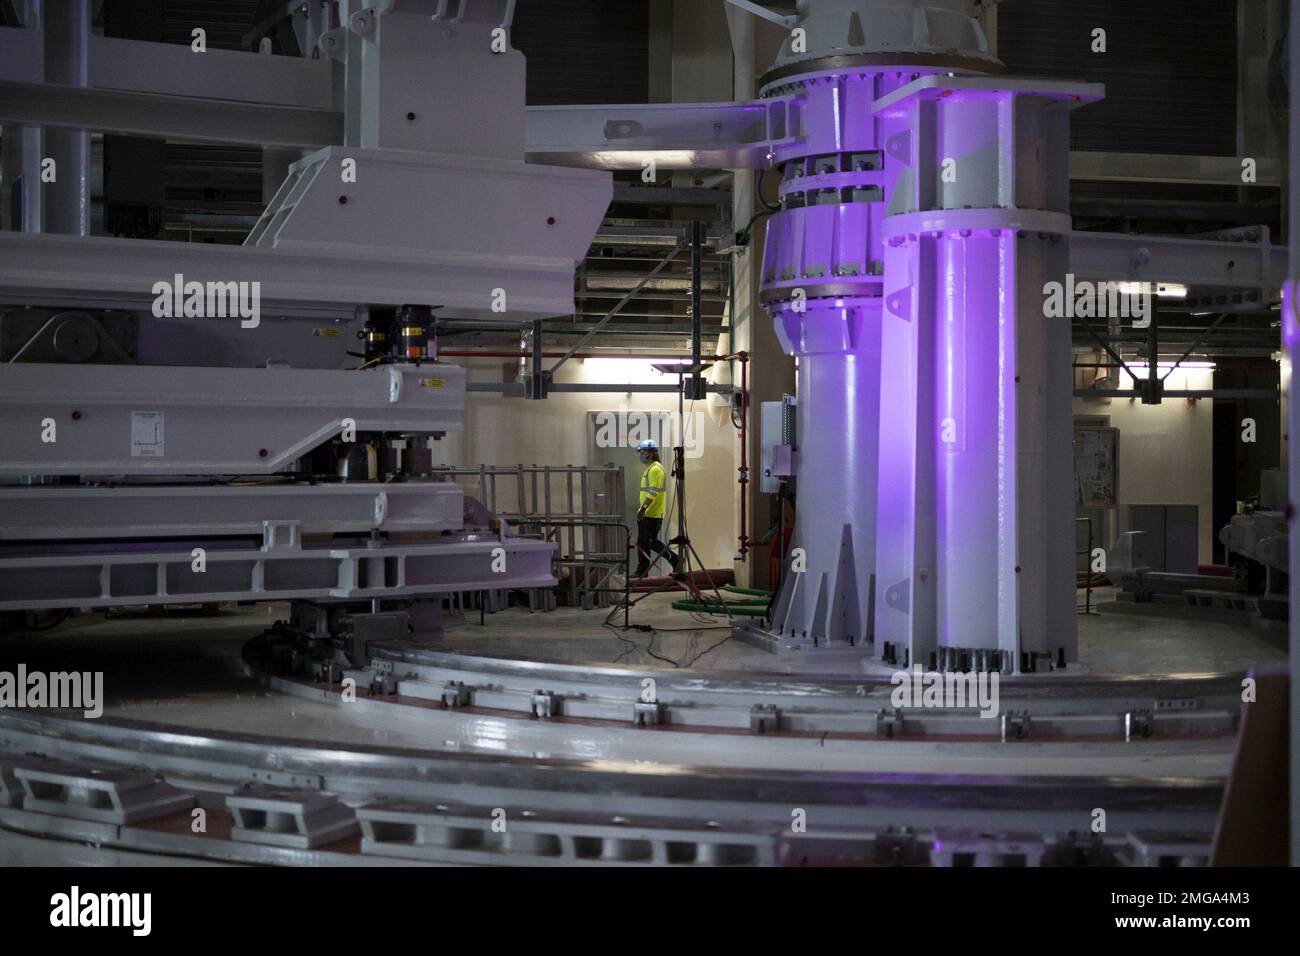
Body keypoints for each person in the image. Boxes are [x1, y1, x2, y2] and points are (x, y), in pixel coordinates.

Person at [632, 439, 679, 578]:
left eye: (643, 452)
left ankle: (675, 559)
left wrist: (643, 509)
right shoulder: (650, 469)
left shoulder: (655, 470)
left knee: (650, 542)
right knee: (643, 543)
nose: (641, 454)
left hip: (652, 514)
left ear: (651, 453)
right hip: (647, 513)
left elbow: (653, 492)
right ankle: (642, 571)